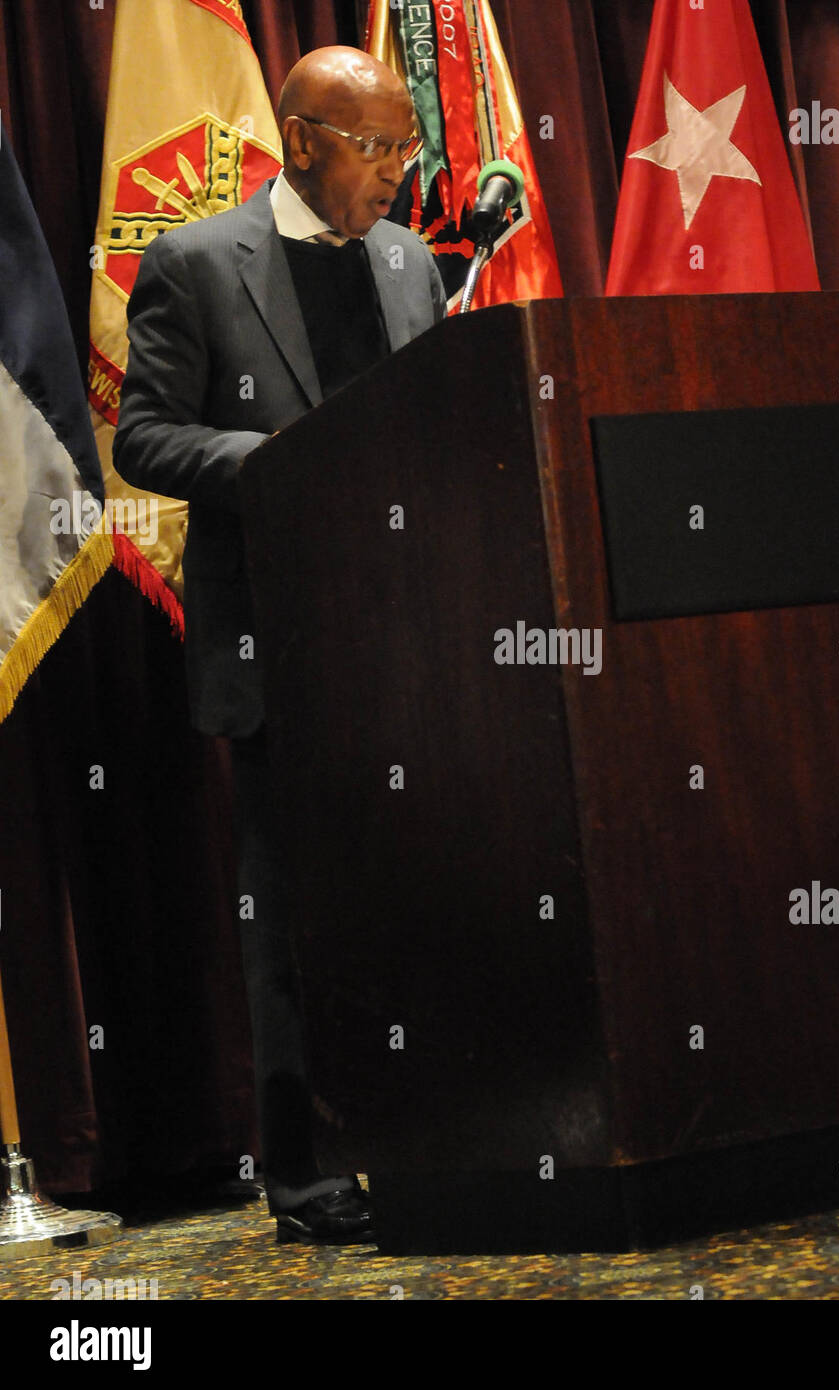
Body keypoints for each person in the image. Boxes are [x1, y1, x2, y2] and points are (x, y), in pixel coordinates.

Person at [115, 47, 446, 1245]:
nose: (397, 175)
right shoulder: (197, 263)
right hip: (279, 647)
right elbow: (141, 438)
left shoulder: (409, 261)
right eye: (375, 149)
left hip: (413, 642)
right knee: (296, 919)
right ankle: (305, 1172)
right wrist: (262, 463)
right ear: (302, 139)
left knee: (424, 899)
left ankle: (435, 1137)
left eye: (406, 148)